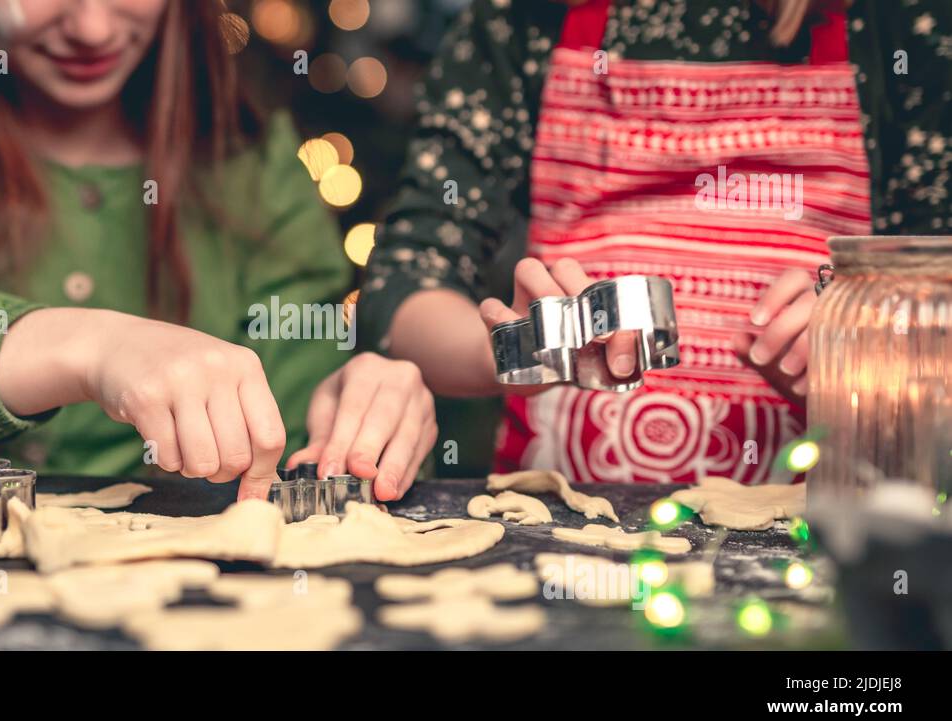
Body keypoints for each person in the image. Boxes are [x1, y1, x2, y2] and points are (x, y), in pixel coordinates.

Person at [0, 0, 437, 502]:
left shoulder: (246, 151)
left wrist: (355, 411)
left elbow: (293, 415)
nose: (91, 26)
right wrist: (78, 346)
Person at [355, 0, 951, 483]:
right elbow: (406, 285)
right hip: (558, 534)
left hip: (819, 534)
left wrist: (864, 351)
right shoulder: (527, 14)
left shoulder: (901, 23)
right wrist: (514, 352)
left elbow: (936, 306)